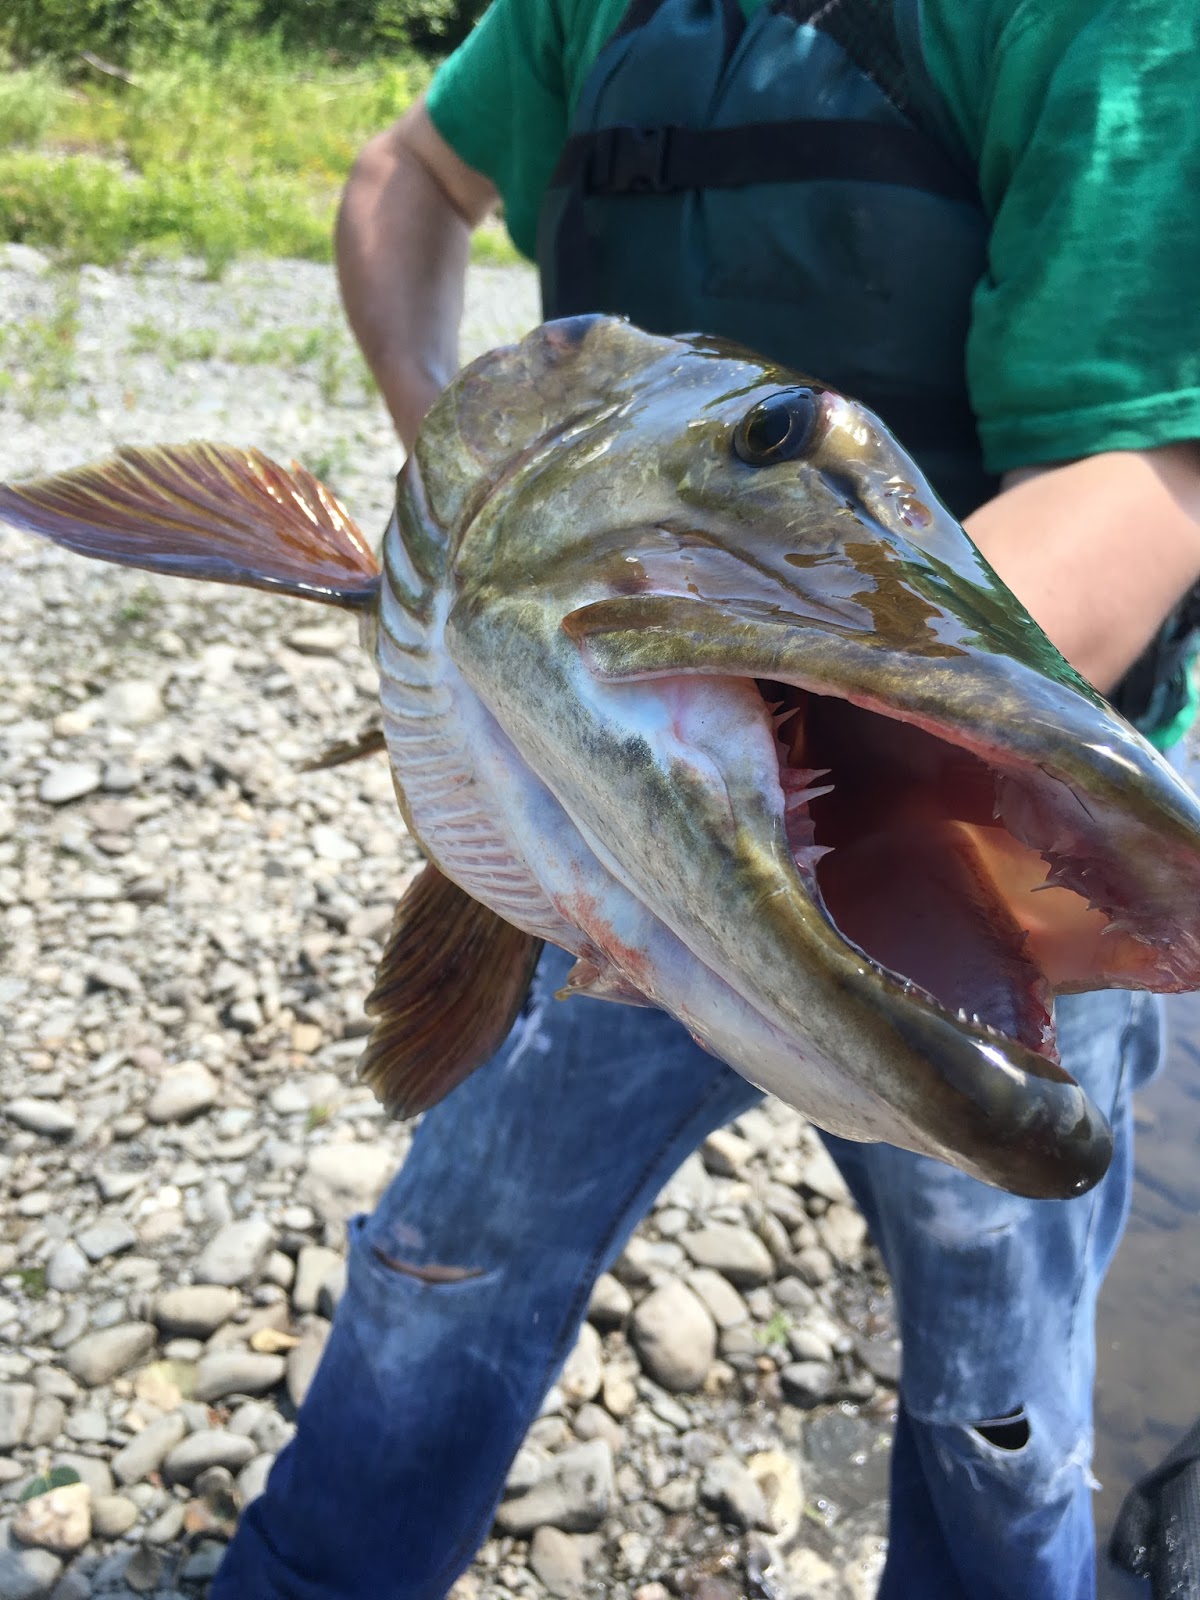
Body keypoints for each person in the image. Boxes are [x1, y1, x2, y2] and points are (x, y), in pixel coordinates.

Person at [211, 1, 1200, 1595]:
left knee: (1002, 1408)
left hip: (994, 869)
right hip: (599, 789)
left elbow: (1149, 463)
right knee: (442, 1275)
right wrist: (442, 500)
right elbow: (409, 176)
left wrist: (770, 749)